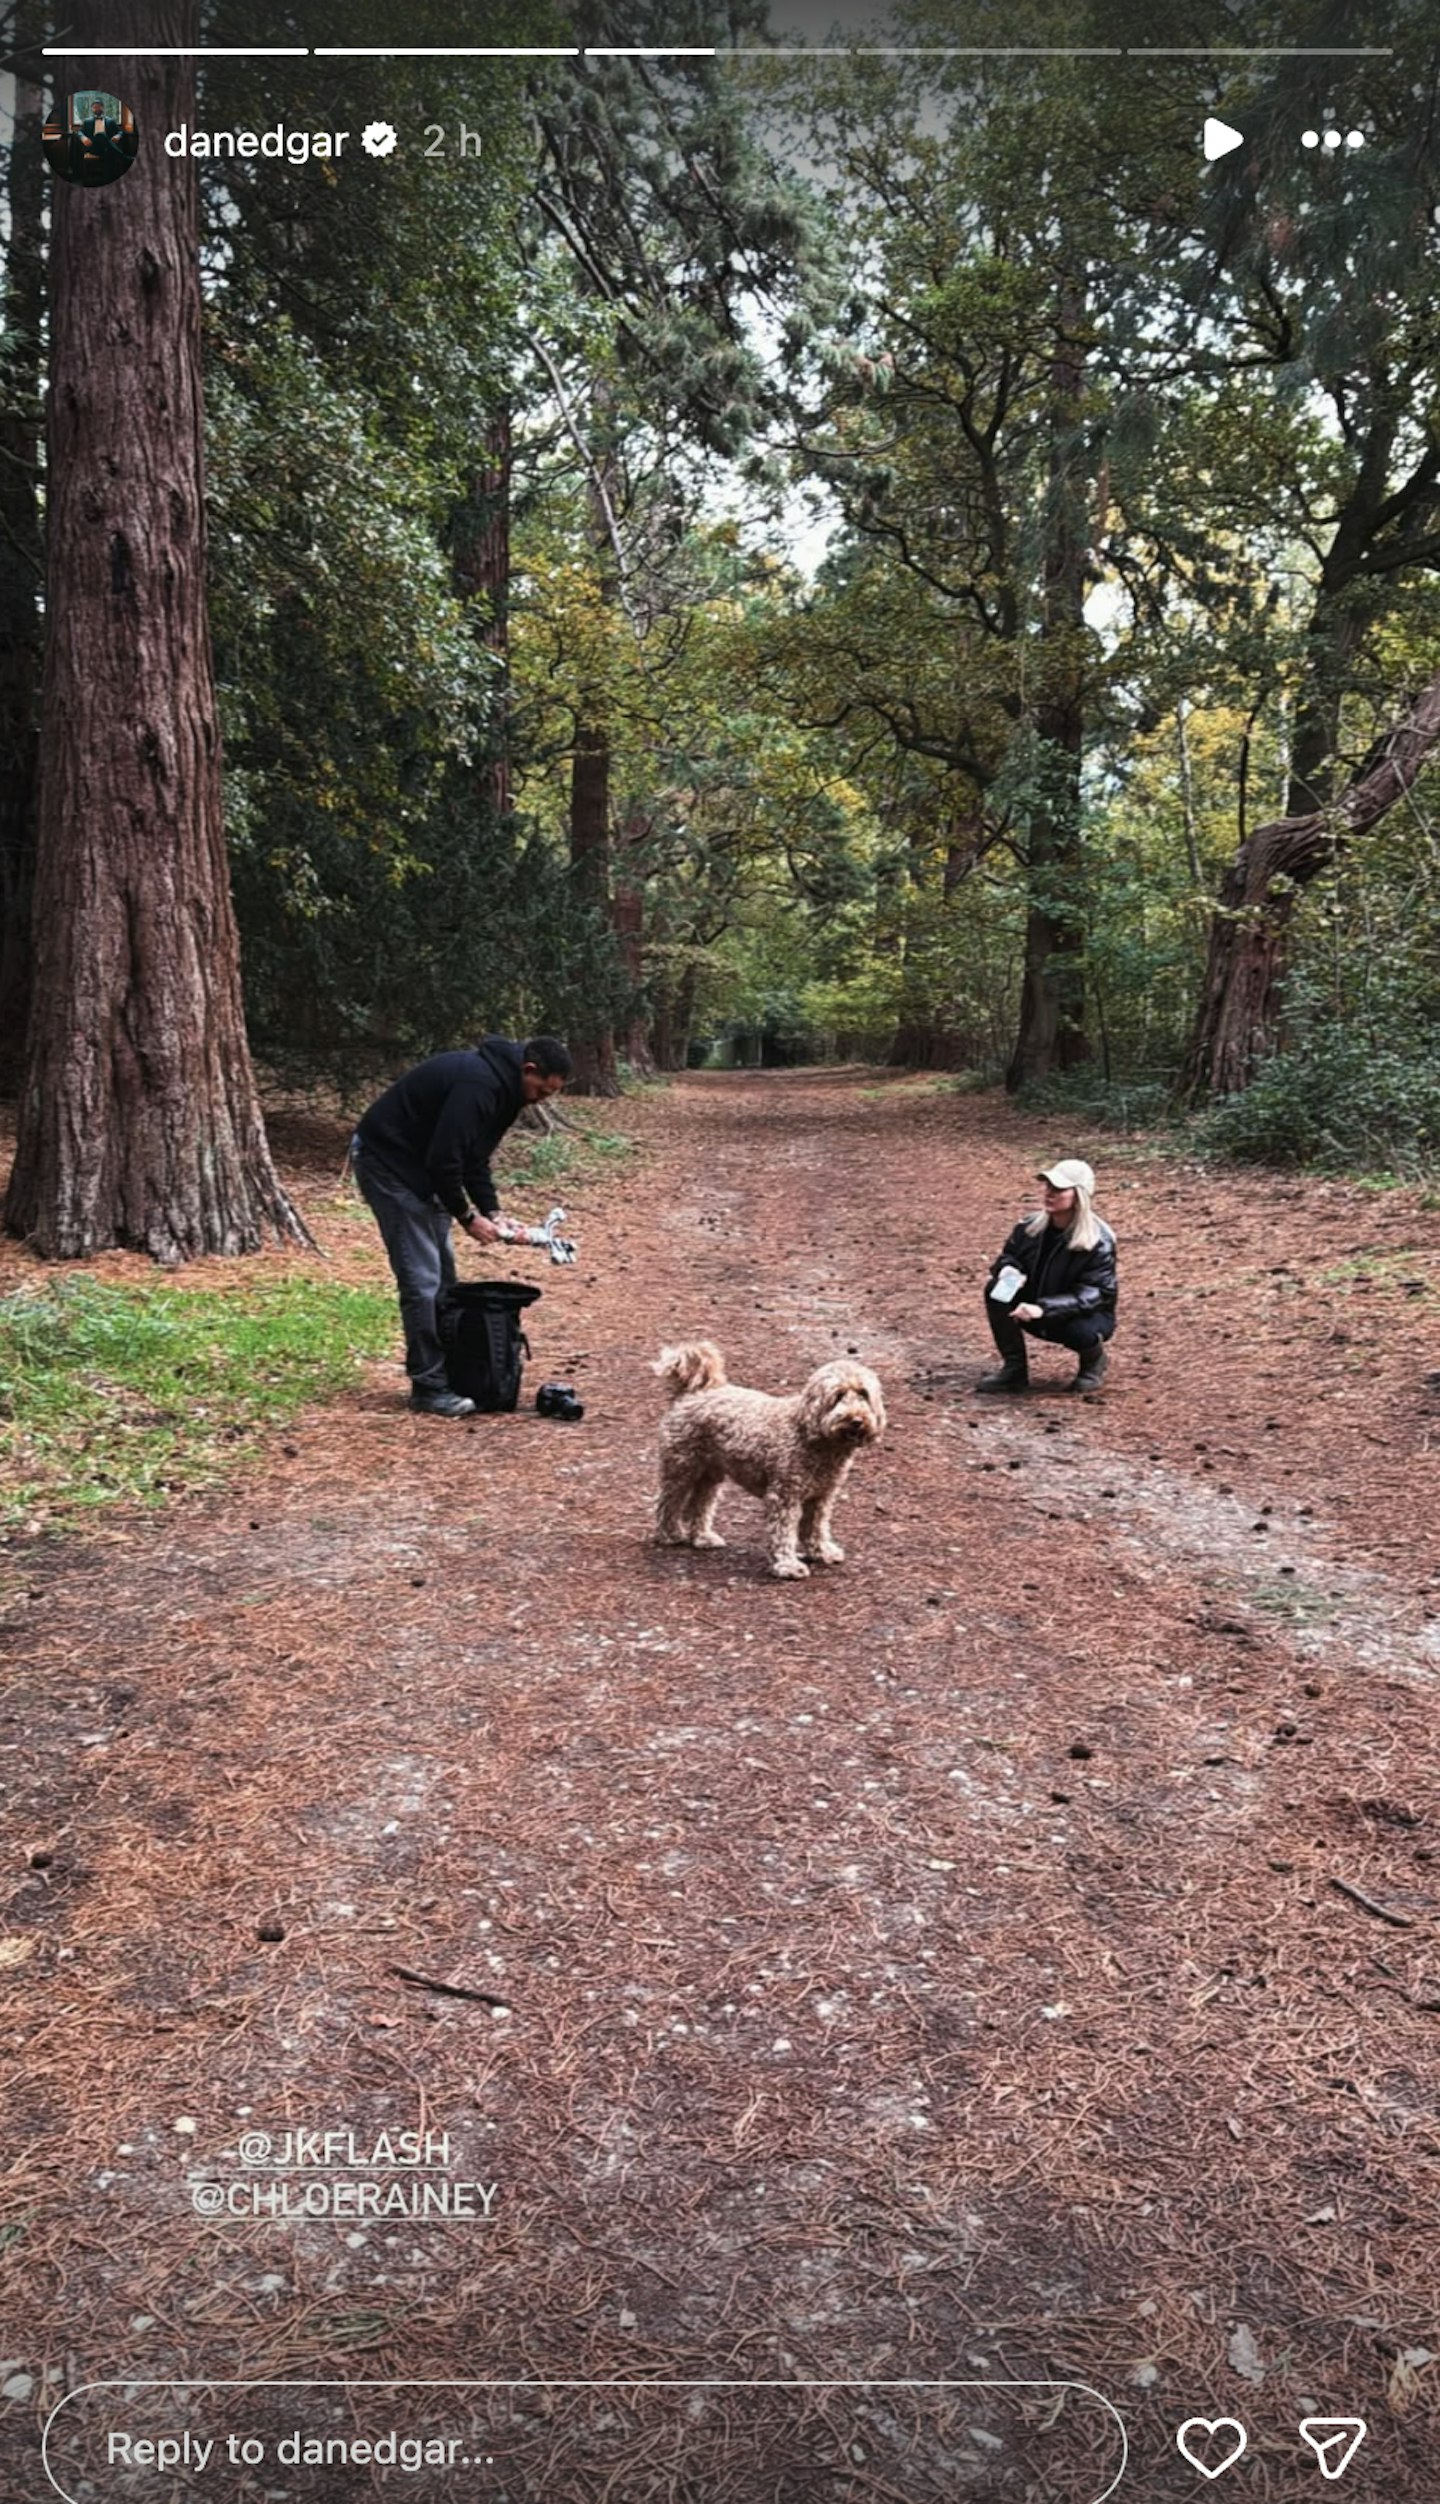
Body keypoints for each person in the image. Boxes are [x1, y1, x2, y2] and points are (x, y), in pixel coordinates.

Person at [353, 1037, 571, 1418]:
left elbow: (475, 1159)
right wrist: (468, 1218)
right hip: (389, 1163)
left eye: (550, 1094)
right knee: (422, 1282)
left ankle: (453, 1374)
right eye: (541, 1089)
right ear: (529, 1070)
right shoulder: (478, 1085)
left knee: (445, 1282)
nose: (541, 1099)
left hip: (423, 1171)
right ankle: (428, 1386)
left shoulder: (509, 1093)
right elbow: (445, 1158)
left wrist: (493, 1210)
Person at [976, 1157, 1116, 1395]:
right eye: (1048, 1186)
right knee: (996, 1292)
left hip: (1080, 1313)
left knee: (1081, 1331)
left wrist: (1043, 1308)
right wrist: (1007, 1271)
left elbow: (1096, 1293)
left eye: (1059, 1189)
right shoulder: (1029, 1226)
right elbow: (1008, 1257)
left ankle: (1093, 1363)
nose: (1049, 1193)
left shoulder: (1098, 1240)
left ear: (1079, 1195)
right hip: (1036, 1302)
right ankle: (1014, 1370)